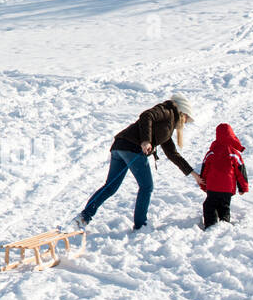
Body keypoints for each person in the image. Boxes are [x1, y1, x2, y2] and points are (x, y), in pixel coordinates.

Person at [72, 93, 203, 231]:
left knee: (110, 186)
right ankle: (141, 225)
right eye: (187, 118)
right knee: (146, 187)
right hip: (131, 149)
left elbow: (173, 154)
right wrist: (146, 140)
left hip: (120, 147)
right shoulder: (167, 111)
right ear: (182, 113)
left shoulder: (167, 128)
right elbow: (147, 115)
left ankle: (83, 217)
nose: (185, 123)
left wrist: (193, 174)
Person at [199, 123, 248, 229]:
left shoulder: (211, 153)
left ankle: (210, 226)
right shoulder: (234, 154)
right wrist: (243, 187)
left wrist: (203, 184)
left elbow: (204, 170)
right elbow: (241, 172)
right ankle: (224, 225)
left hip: (212, 187)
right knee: (224, 206)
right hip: (227, 189)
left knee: (209, 206)